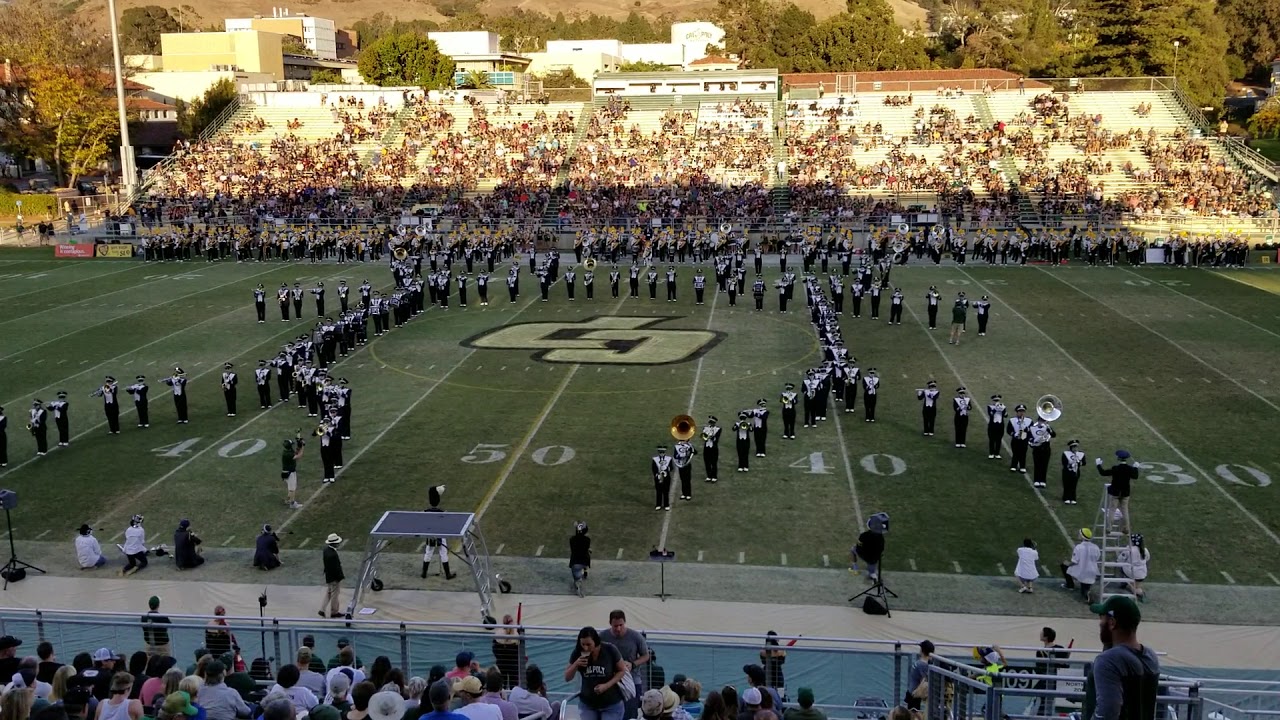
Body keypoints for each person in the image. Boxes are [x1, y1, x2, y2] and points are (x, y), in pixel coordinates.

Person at [1086, 597, 1159, 720]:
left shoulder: (1108, 660)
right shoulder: (1151, 656)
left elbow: (1107, 712)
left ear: (1112, 622)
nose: (1099, 623)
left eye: (1101, 618)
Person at [563, 626, 626, 720]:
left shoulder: (610, 649)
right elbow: (567, 677)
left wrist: (606, 685)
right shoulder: (577, 652)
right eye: (583, 644)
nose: (585, 648)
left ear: (596, 642)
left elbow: (622, 670)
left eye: (589, 644)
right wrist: (576, 664)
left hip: (611, 703)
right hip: (588, 703)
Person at [605, 610, 649, 715]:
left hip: (632, 680)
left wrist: (633, 664)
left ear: (625, 622)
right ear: (610, 623)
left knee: (630, 713)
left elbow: (646, 656)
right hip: (611, 681)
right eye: (615, 626)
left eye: (621, 625)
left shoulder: (636, 636)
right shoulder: (602, 637)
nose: (618, 629)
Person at [1097, 450, 1139, 534]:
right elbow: (1135, 476)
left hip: (1115, 492)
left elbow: (1103, 473)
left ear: (1119, 458)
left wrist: (1098, 464)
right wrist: (1136, 468)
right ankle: (1126, 528)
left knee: (1112, 510)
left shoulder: (1115, 468)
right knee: (1125, 511)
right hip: (1125, 493)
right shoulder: (1129, 469)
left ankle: (1109, 528)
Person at [1061, 528, 1101, 602]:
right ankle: (1088, 592)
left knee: (1064, 565)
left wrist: (1068, 564)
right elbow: (1097, 558)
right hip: (1093, 572)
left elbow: (1074, 561)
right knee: (1085, 587)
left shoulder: (1079, 547)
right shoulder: (1096, 547)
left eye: (1079, 534)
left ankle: (1070, 585)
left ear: (1083, 536)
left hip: (1082, 572)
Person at [1118, 534, 1150, 601]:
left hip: (1132, 572)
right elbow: (1147, 559)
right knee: (1136, 586)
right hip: (1142, 573)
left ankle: (1126, 582)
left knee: (1133, 587)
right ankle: (1131, 586)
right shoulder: (1145, 549)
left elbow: (1120, 560)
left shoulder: (1129, 549)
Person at [903, 641, 933, 711]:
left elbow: (924, 679)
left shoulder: (923, 664)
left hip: (914, 693)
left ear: (922, 650)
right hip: (911, 691)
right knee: (911, 711)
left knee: (914, 712)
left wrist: (917, 691)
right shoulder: (920, 662)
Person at [320, 533, 345, 619]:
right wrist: (339, 577)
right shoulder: (333, 554)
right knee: (334, 595)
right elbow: (336, 568)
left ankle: (322, 609)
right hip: (334, 578)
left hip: (329, 576)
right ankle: (334, 612)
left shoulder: (326, 550)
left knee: (329, 593)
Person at [758, 633, 785, 699]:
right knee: (780, 695)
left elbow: (763, 661)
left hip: (766, 674)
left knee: (765, 695)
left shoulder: (762, 652)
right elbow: (782, 661)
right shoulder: (781, 651)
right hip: (778, 674)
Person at [569, 522, 591, 597]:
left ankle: (578, 585)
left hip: (575, 562)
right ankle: (585, 571)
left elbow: (574, 549)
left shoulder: (572, 539)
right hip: (584, 561)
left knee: (576, 578)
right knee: (588, 555)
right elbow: (585, 549)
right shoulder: (587, 540)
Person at [282, 438, 305, 509]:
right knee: (292, 489)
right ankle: (292, 503)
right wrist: (303, 447)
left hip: (287, 472)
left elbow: (296, 452)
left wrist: (299, 446)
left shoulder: (287, 451)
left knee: (290, 488)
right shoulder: (287, 454)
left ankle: (288, 500)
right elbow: (298, 456)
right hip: (290, 473)